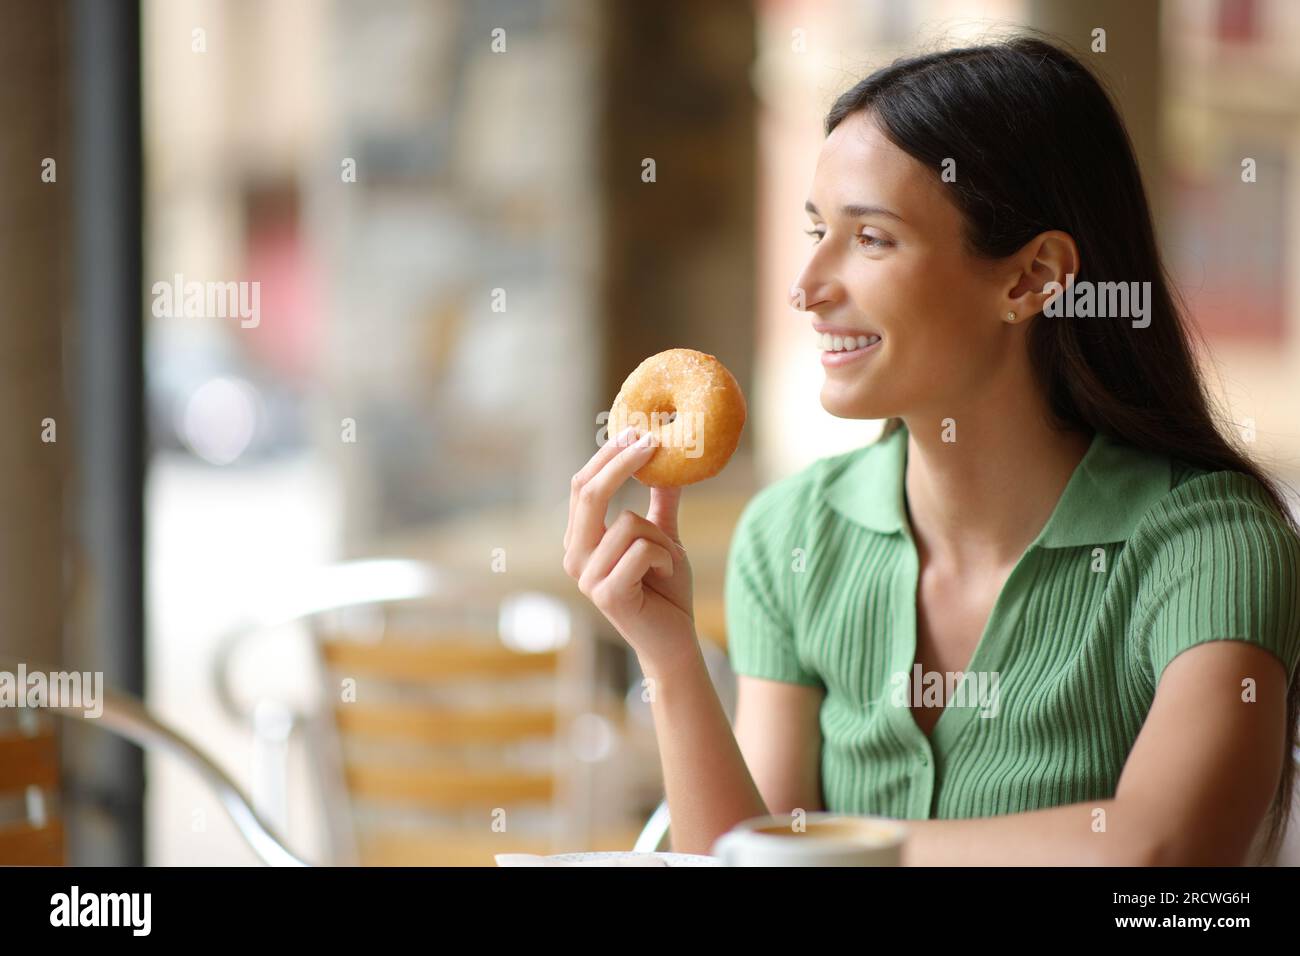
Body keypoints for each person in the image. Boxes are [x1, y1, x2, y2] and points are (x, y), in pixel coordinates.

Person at [562, 33, 1300, 865]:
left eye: (871, 239)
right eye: (815, 232)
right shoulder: (792, 535)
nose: (807, 289)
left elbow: (1160, 854)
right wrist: (669, 657)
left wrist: (832, 850)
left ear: (1031, 278)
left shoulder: (1210, 546)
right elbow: (744, 861)